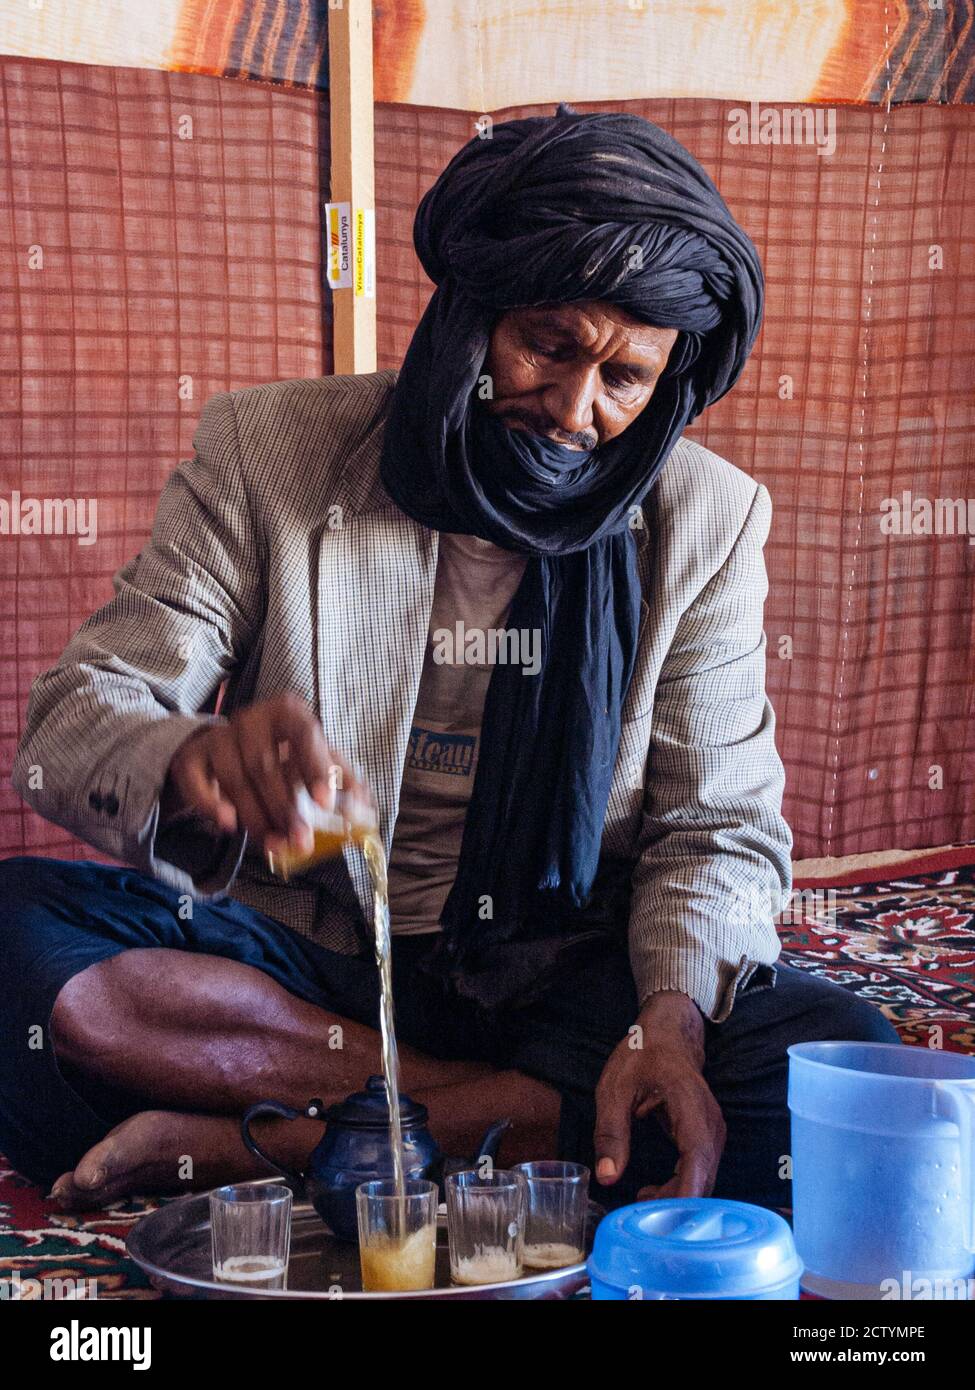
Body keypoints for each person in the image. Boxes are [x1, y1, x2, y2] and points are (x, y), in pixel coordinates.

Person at [1, 104, 897, 1213]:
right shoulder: (271, 452)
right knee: (19, 950)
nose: (576, 410)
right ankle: (488, 1117)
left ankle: (263, 1144)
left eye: (627, 380)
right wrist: (198, 761)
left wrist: (664, 1028)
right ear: (473, 316)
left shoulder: (706, 521)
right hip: (313, 967)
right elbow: (74, 723)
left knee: (824, 1056)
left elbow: (716, 825)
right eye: (549, 346)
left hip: (560, 971)